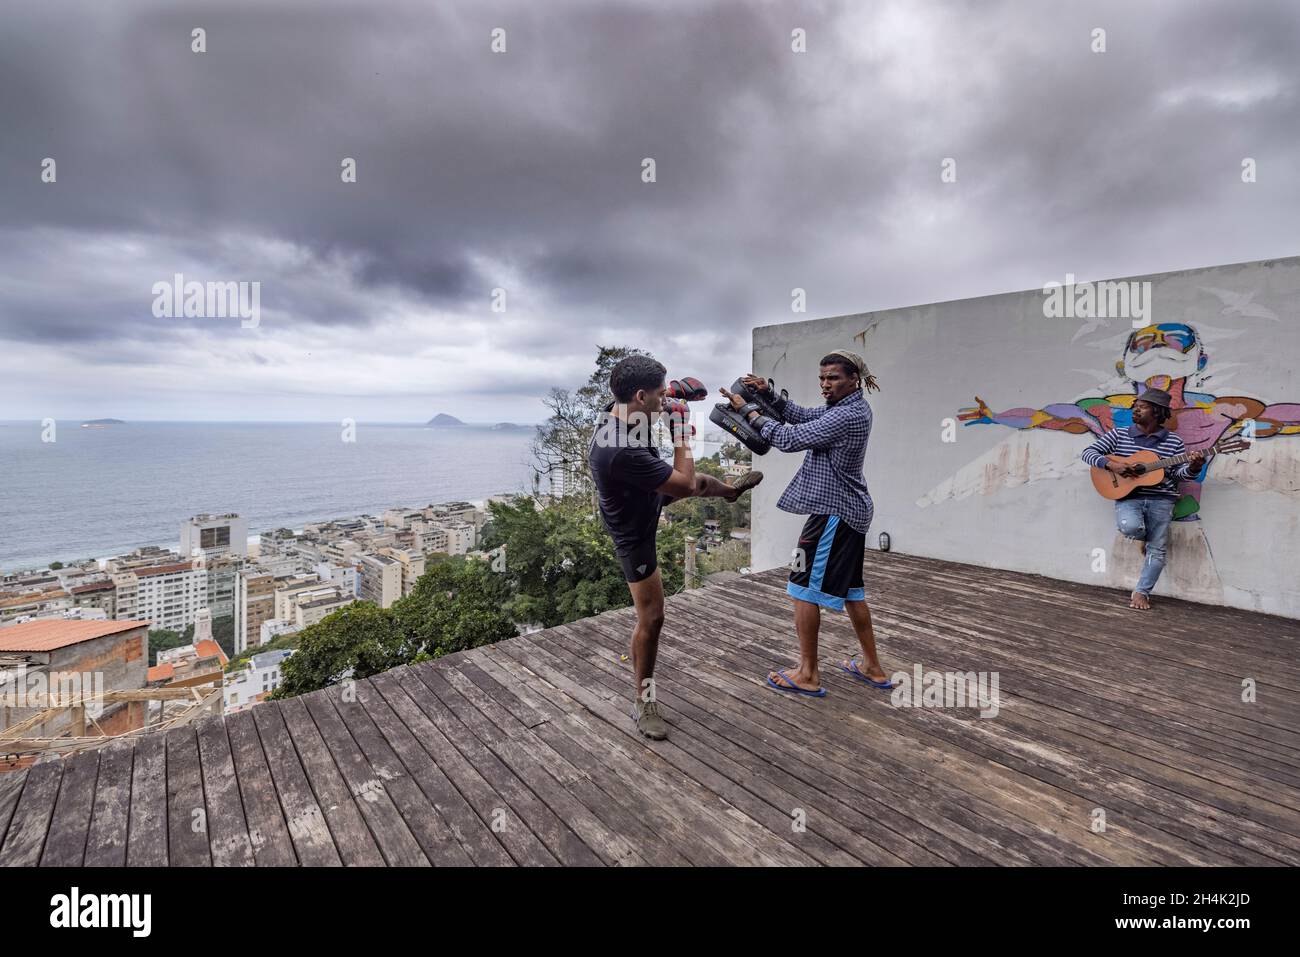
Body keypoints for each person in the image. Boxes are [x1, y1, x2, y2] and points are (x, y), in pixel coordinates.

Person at [589, 355, 763, 738]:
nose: (662, 402)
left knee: (702, 481)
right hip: (632, 529)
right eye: (657, 395)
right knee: (652, 618)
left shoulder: (620, 409)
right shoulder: (619, 449)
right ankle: (644, 699)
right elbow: (681, 485)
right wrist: (682, 429)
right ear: (638, 396)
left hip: (640, 492)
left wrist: (673, 392)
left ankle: (731, 493)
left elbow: (685, 477)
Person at [720, 349, 889, 697]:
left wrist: (746, 410)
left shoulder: (847, 416)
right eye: (822, 379)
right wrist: (766, 393)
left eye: (833, 378)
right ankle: (872, 666)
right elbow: (800, 415)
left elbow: (788, 438)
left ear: (853, 379)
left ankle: (808, 674)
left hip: (833, 513)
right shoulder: (844, 408)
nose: (825, 385)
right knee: (852, 592)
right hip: (846, 511)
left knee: (801, 588)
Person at [1079, 387, 1209, 610]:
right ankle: (1143, 537)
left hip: (1162, 499)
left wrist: (1194, 467)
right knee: (1129, 527)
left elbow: (1177, 474)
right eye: (1135, 406)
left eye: (1142, 406)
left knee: (1157, 550)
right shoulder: (1119, 435)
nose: (1136, 410)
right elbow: (1088, 454)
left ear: (1157, 412)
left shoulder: (1173, 442)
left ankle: (1141, 592)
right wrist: (1113, 465)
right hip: (1129, 496)